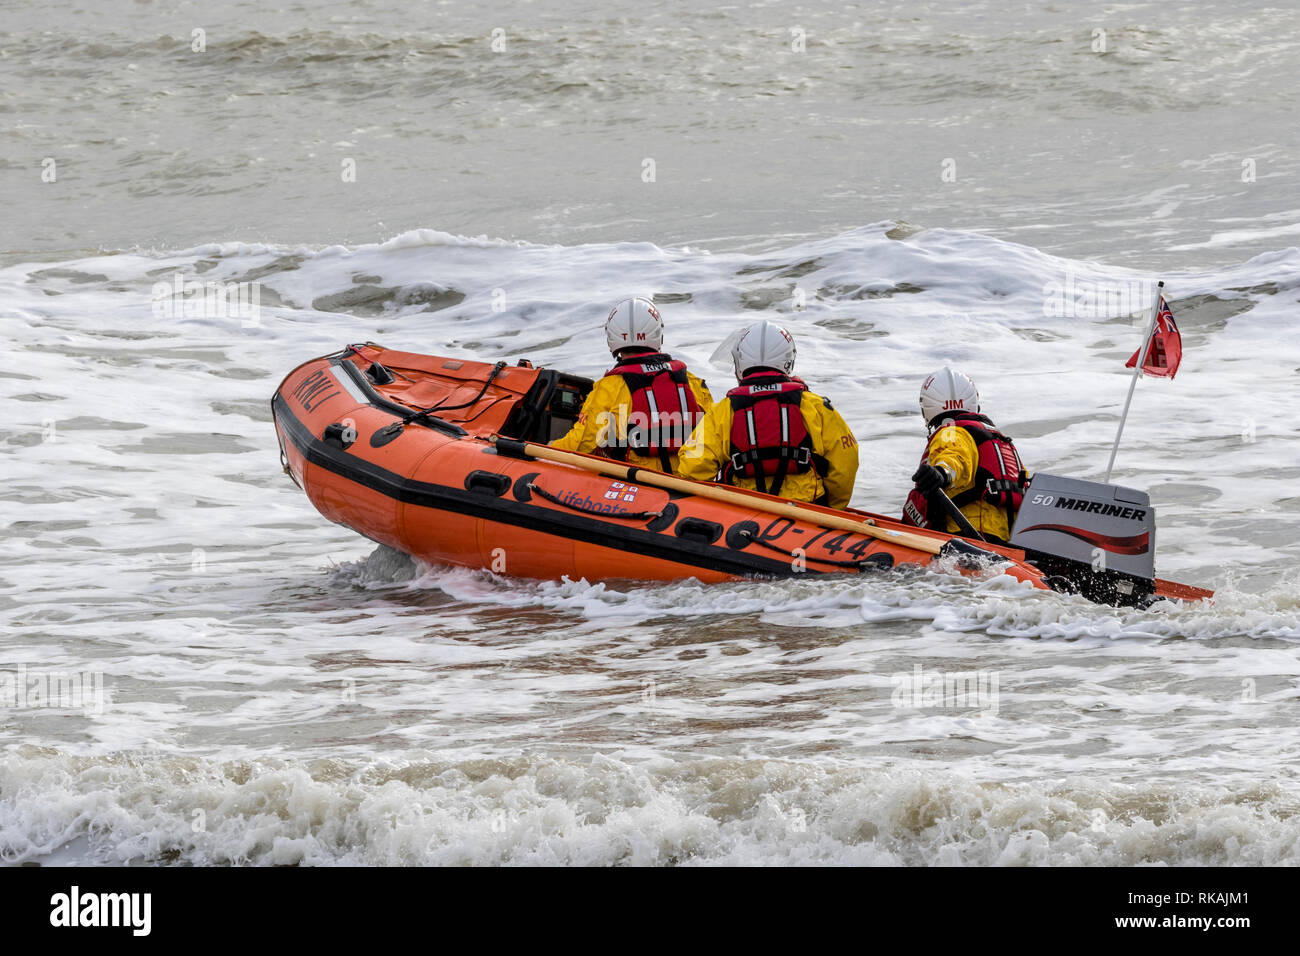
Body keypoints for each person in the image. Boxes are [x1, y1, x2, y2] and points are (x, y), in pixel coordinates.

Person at [676, 320, 858, 508]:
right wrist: (833, 508)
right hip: (808, 512)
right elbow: (845, 464)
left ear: (740, 361)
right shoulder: (816, 407)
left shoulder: (723, 411)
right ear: (788, 361)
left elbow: (693, 470)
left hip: (742, 513)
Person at [551, 297, 714, 472]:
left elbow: (582, 443)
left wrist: (547, 450)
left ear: (612, 337)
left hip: (640, 486)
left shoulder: (610, 387)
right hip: (690, 486)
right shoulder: (691, 381)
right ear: (658, 333)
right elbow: (716, 436)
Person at [902, 367, 1029, 544]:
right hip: (1007, 541)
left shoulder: (950, 431)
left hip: (968, 537)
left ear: (927, 408)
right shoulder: (1001, 442)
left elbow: (954, 457)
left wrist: (941, 472)